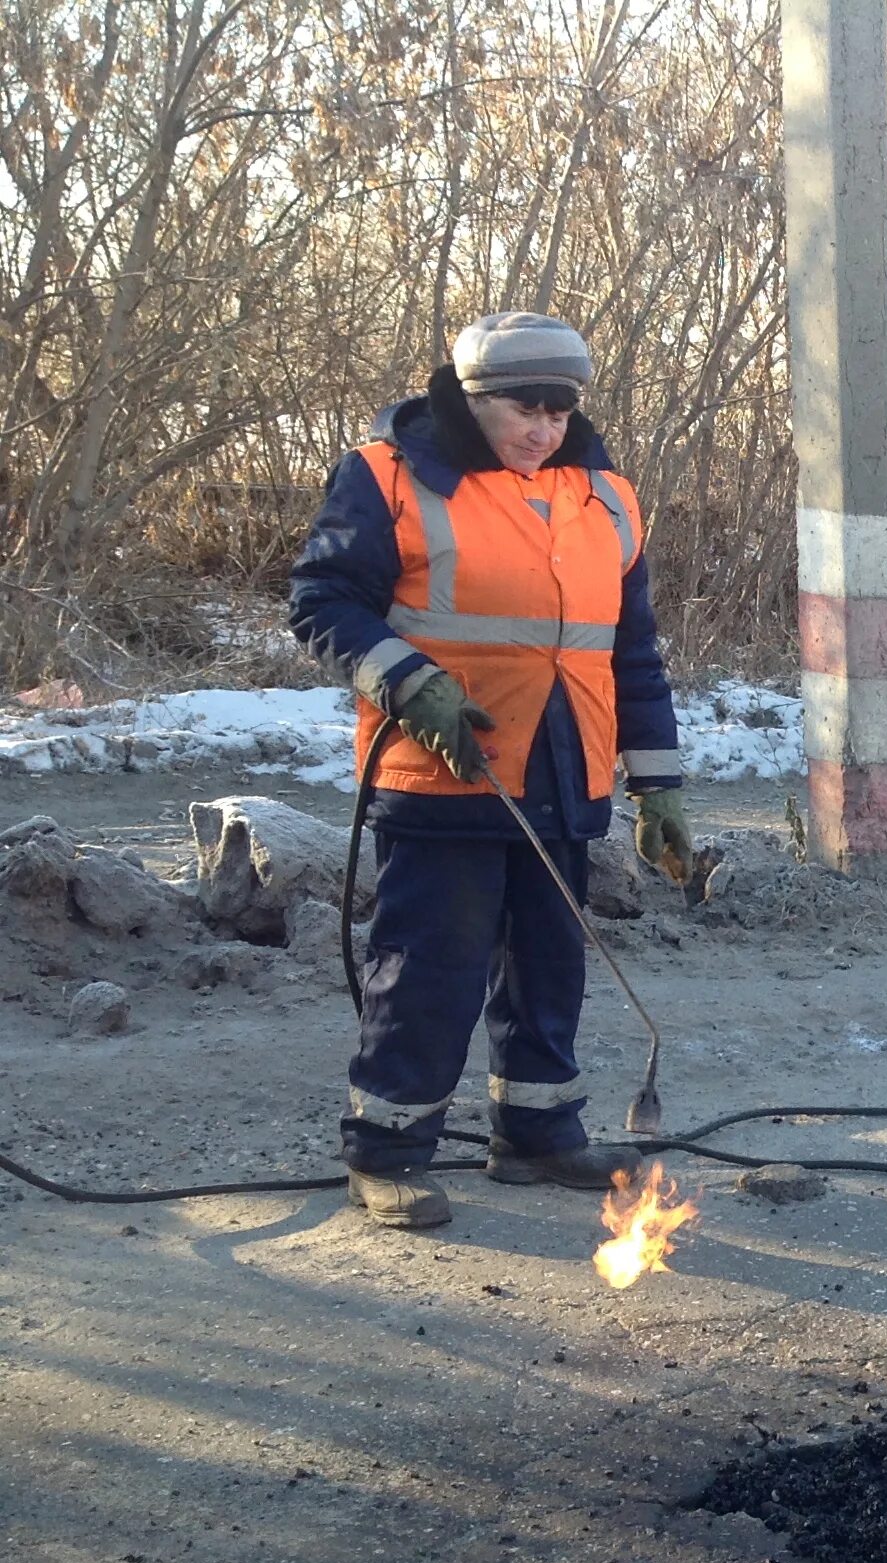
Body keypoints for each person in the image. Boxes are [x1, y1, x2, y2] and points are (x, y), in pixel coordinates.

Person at [288, 311, 689, 1230]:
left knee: (550, 963)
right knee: (434, 964)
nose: (545, 426)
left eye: (561, 408)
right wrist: (409, 684)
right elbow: (322, 601)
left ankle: (539, 1133)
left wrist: (657, 783)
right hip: (443, 774)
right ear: (474, 402)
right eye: (526, 407)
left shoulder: (606, 498)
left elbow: (632, 654)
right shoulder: (389, 476)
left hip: (565, 769)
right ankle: (387, 1151)